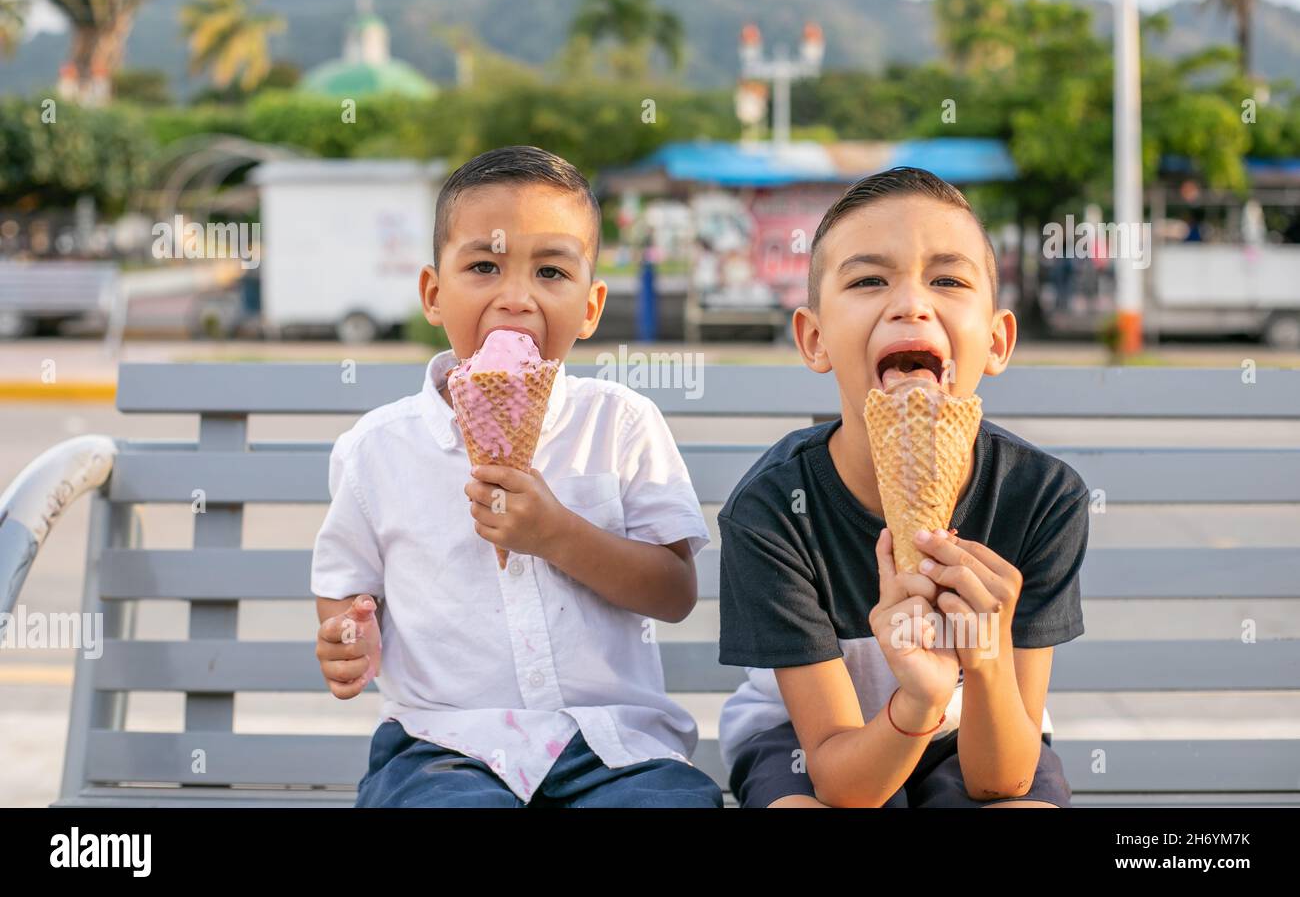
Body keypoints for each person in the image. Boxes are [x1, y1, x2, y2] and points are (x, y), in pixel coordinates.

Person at [312, 145, 722, 808]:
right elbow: (346, 589)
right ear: (433, 294)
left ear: (590, 308)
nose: (516, 297)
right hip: (442, 748)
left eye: (551, 271)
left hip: (614, 750)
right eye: (483, 266)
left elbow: (673, 593)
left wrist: (559, 535)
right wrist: (346, 636)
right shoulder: (377, 450)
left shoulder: (620, 424)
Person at [717, 166, 1087, 807]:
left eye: (947, 279)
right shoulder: (774, 511)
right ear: (814, 338)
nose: (912, 303)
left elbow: (1002, 779)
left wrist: (986, 653)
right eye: (868, 280)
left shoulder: (1042, 497)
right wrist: (917, 697)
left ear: (997, 340)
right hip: (810, 743)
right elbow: (841, 783)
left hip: (981, 730)